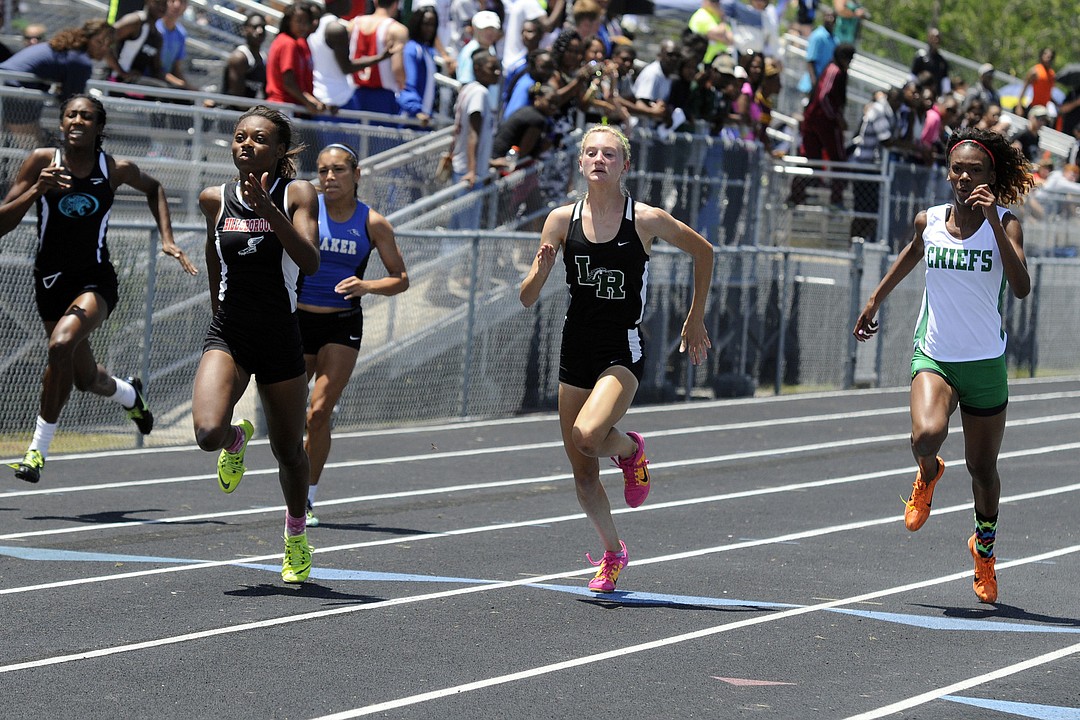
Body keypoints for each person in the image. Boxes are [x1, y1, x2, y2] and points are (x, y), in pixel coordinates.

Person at [518, 125, 713, 593]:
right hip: (574, 347)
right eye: (591, 153)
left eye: (609, 153)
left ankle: (631, 450)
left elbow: (704, 251)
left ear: (624, 165)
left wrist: (695, 317)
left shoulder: (644, 219)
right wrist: (541, 271)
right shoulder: (561, 220)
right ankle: (612, 553)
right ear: (581, 164)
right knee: (582, 471)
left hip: (622, 348)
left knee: (588, 435)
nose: (599, 159)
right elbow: (526, 298)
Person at [853, 127, 1034, 604]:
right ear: (947, 173)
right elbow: (911, 255)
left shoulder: (1007, 224)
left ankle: (984, 550)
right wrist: (874, 300)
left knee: (982, 470)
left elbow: (1021, 287)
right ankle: (928, 472)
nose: (964, 177)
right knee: (925, 436)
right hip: (935, 353)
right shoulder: (929, 221)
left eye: (975, 170)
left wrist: (994, 220)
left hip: (985, 363)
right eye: (958, 169)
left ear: (991, 176)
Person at [0, 94, 197, 484]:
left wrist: (168, 238)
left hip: (95, 280)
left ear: (98, 126)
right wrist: (36, 191)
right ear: (61, 124)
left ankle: (37, 451)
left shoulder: (114, 169)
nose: (77, 121)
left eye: (86, 116)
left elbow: (155, 188)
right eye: (70, 115)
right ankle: (129, 395)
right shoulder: (41, 162)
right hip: (50, 281)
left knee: (59, 346)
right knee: (84, 377)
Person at [193, 105, 320, 584]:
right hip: (231, 332)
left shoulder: (297, 194)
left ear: (281, 150)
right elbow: (213, 250)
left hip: (280, 334)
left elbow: (308, 262)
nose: (247, 144)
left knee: (289, 451)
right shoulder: (214, 198)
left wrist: (269, 210)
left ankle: (295, 535)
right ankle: (235, 438)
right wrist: (216, 308)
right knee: (207, 433)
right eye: (241, 136)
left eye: (260, 138)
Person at [298, 143, 409, 526]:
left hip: (342, 323)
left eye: (339, 170)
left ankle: (306, 498)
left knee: (319, 412)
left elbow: (401, 279)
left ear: (356, 174)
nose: (329, 177)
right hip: (297, 320)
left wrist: (367, 285)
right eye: (323, 170)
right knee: (289, 411)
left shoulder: (372, 223)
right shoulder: (303, 208)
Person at [0, 20, 115, 147]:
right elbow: (71, 102)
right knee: (32, 149)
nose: (104, 49)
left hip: (11, 87)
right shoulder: (80, 61)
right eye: (99, 42)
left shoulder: (67, 52)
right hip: (15, 89)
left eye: (109, 45)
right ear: (86, 38)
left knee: (38, 146)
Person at [265, 1, 326, 116]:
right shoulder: (288, 43)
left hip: (289, 107)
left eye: (306, 22)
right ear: (289, 21)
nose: (303, 26)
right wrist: (309, 101)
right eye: (299, 21)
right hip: (283, 107)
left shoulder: (298, 42)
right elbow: (288, 83)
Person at [222, 13, 267, 99]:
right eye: (255, 27)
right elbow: (237, 98)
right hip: (232, 111)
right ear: (244, 30)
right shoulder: (239, 57)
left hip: (251, 110)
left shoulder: (264, 58)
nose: (260, 31)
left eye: (263, 27)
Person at [798, 5, 836, 95]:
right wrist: (815, 84)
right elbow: (810, 61)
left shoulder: (835, 40)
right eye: (828, 16)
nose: (830, 19)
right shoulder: (817, 36)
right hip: (812, 84)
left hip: (823, 86)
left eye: (833, 16)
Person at [910, 27, 949, 98]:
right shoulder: (921, 56)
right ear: (929, 38)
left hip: (935, 95)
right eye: (934, 37)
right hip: (919, 93)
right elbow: (913, 75)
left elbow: (945, 80)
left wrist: (945, 95)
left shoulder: (942, 61)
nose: (936, 40)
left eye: (938, 38)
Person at [1017, 47, 1056, 117]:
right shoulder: (1035, 71)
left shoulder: (1052, 74)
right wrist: (1019, 106)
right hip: (1034, 107)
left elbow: (1048, 93)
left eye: (1050, 56)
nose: (1048, 57)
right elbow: (1024, 88)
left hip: (1044, 109)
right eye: (1046, 54)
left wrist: (1057, 104)